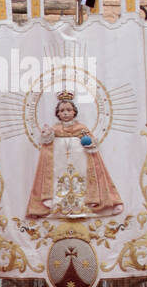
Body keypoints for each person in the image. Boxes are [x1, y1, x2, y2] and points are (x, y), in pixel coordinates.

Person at [26, 90, 123, 219]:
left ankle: (90, 204)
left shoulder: (81, 128)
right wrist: (46, 134)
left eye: (68, 110)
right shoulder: (55, 129)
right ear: (57, 114)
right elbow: (47, 141)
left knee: (81, 180)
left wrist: (90, 143)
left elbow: (92, 141)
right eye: (62, 111)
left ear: (74, 112)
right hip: (59, 161)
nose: (65, 113)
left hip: (80, 160)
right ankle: (54, 206)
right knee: (59, 180)